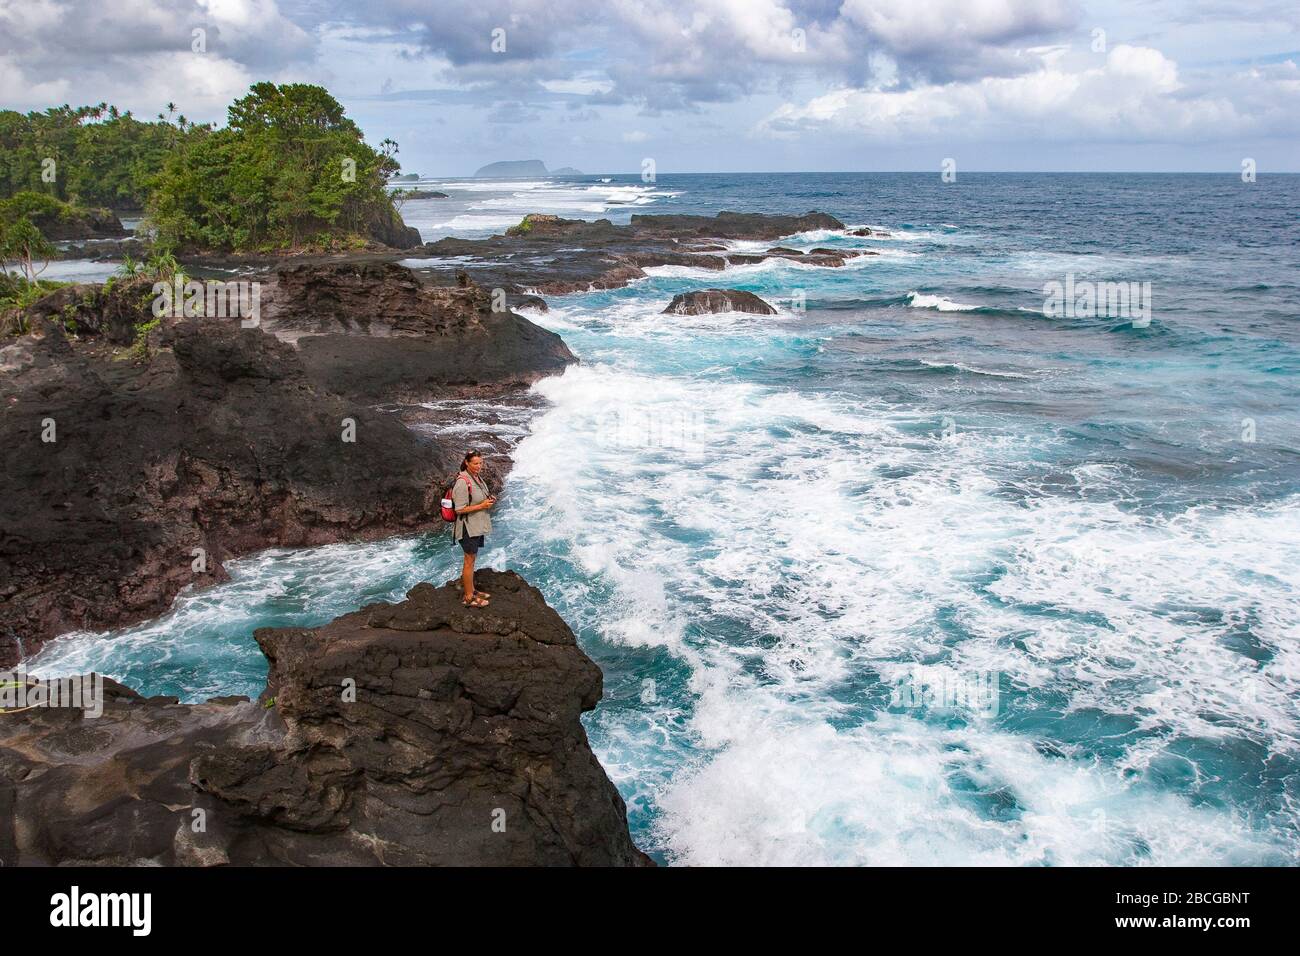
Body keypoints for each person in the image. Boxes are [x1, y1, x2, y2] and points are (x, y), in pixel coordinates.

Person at [451, 449, 496, 607]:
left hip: (476, 525)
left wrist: (487, 500)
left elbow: (478, 498)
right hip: (467, 527)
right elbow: (459, 509)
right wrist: (482, 505)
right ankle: (468, 597)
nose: (478, 466)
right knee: (469, 560)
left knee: (472, 559)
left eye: (480, 463)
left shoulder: (476, 477)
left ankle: (472, 590)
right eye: (475, 463)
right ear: (466, 463)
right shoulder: (462, 482)